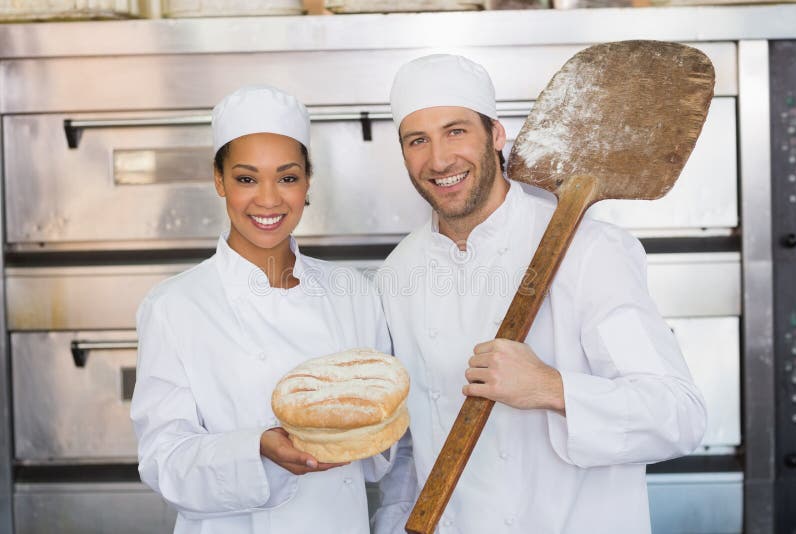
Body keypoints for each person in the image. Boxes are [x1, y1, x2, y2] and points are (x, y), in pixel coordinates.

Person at [376, 54, 707, 533]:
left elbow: (678, 416)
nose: (439, 159)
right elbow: (410, 447)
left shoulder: (588, 250)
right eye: (417, 140)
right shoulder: (396, 275)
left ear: (496, 135)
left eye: (456, 131)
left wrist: (552, 388)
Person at [130, 85, 414, 534]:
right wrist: (256, 451)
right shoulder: (175, 306)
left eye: (287, 177)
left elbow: (385, 435)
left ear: (307, 182)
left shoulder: (353, 292)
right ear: (219, 180)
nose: (268, 199)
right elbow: (163, 459)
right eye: (246, 178)